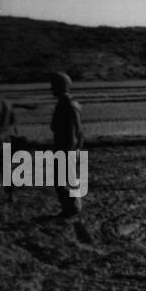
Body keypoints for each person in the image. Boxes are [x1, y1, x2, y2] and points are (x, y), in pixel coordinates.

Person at [49, 72, 84, 217]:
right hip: (67, 148)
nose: (51, 89)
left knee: (62, 180)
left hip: (66, 148)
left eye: (53, 86)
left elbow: (71, 132)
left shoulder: (67, 106)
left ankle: (72, 208)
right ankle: (71, 207)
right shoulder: (67, 104)